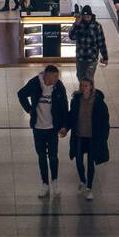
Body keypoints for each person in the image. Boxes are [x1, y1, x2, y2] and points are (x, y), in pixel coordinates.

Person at [16, 65, 69, 198]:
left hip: (52, 128)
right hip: (38, 128)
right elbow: (21, 94)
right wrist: (29, 110)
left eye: (57, 77)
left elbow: (64, 106)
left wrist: (64, 126)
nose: (56, 79)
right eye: (54, 77)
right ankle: (45, 183)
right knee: (41, 157)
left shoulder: (58, 86)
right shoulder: (35, 83)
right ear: (46, 76)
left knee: (53, 156)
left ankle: (55, 181)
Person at [68, 77, 110, 201]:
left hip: (93, 136)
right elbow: (72, 115)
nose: (84, 88)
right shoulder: (76, 99)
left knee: (91, 162)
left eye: (86, 86)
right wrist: (66, 127)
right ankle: (82, 179)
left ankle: (89, 188)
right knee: (78, 160)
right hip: (80, 135)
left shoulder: (98, 101)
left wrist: (103, 136)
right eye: (82, 86)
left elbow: (104, 119)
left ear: (91, 86)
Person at [68, 5, 108, 83]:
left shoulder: (97, 26)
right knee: (80, 77)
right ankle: (83, 93)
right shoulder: (78, 25)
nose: (86, 18)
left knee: (89, 78)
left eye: (88, 16)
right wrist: (76, 24)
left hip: (92, 58)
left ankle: (90, 93)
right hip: (80, 57)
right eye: (84, 16)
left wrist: (105, 57)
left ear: (91, 16)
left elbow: (101, 42)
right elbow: (71, 36)